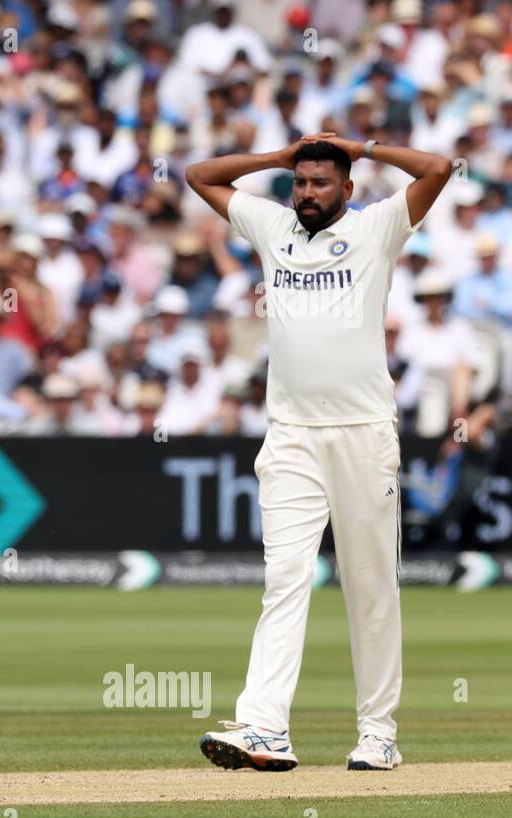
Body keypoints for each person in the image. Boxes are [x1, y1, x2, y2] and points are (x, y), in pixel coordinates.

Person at [186, 133, 451, 772]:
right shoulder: (273, 224)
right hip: (291, 436)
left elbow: (438, 168)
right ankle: (265, 728)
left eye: (320, 182)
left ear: (346, 188)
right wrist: (276, 160)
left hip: (362, 432)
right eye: (301, 182)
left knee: (370, 587)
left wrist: (361, 146)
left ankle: (377, 733)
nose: (307, 193)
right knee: (284, 577)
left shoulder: (379, 227)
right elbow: (199, 174)